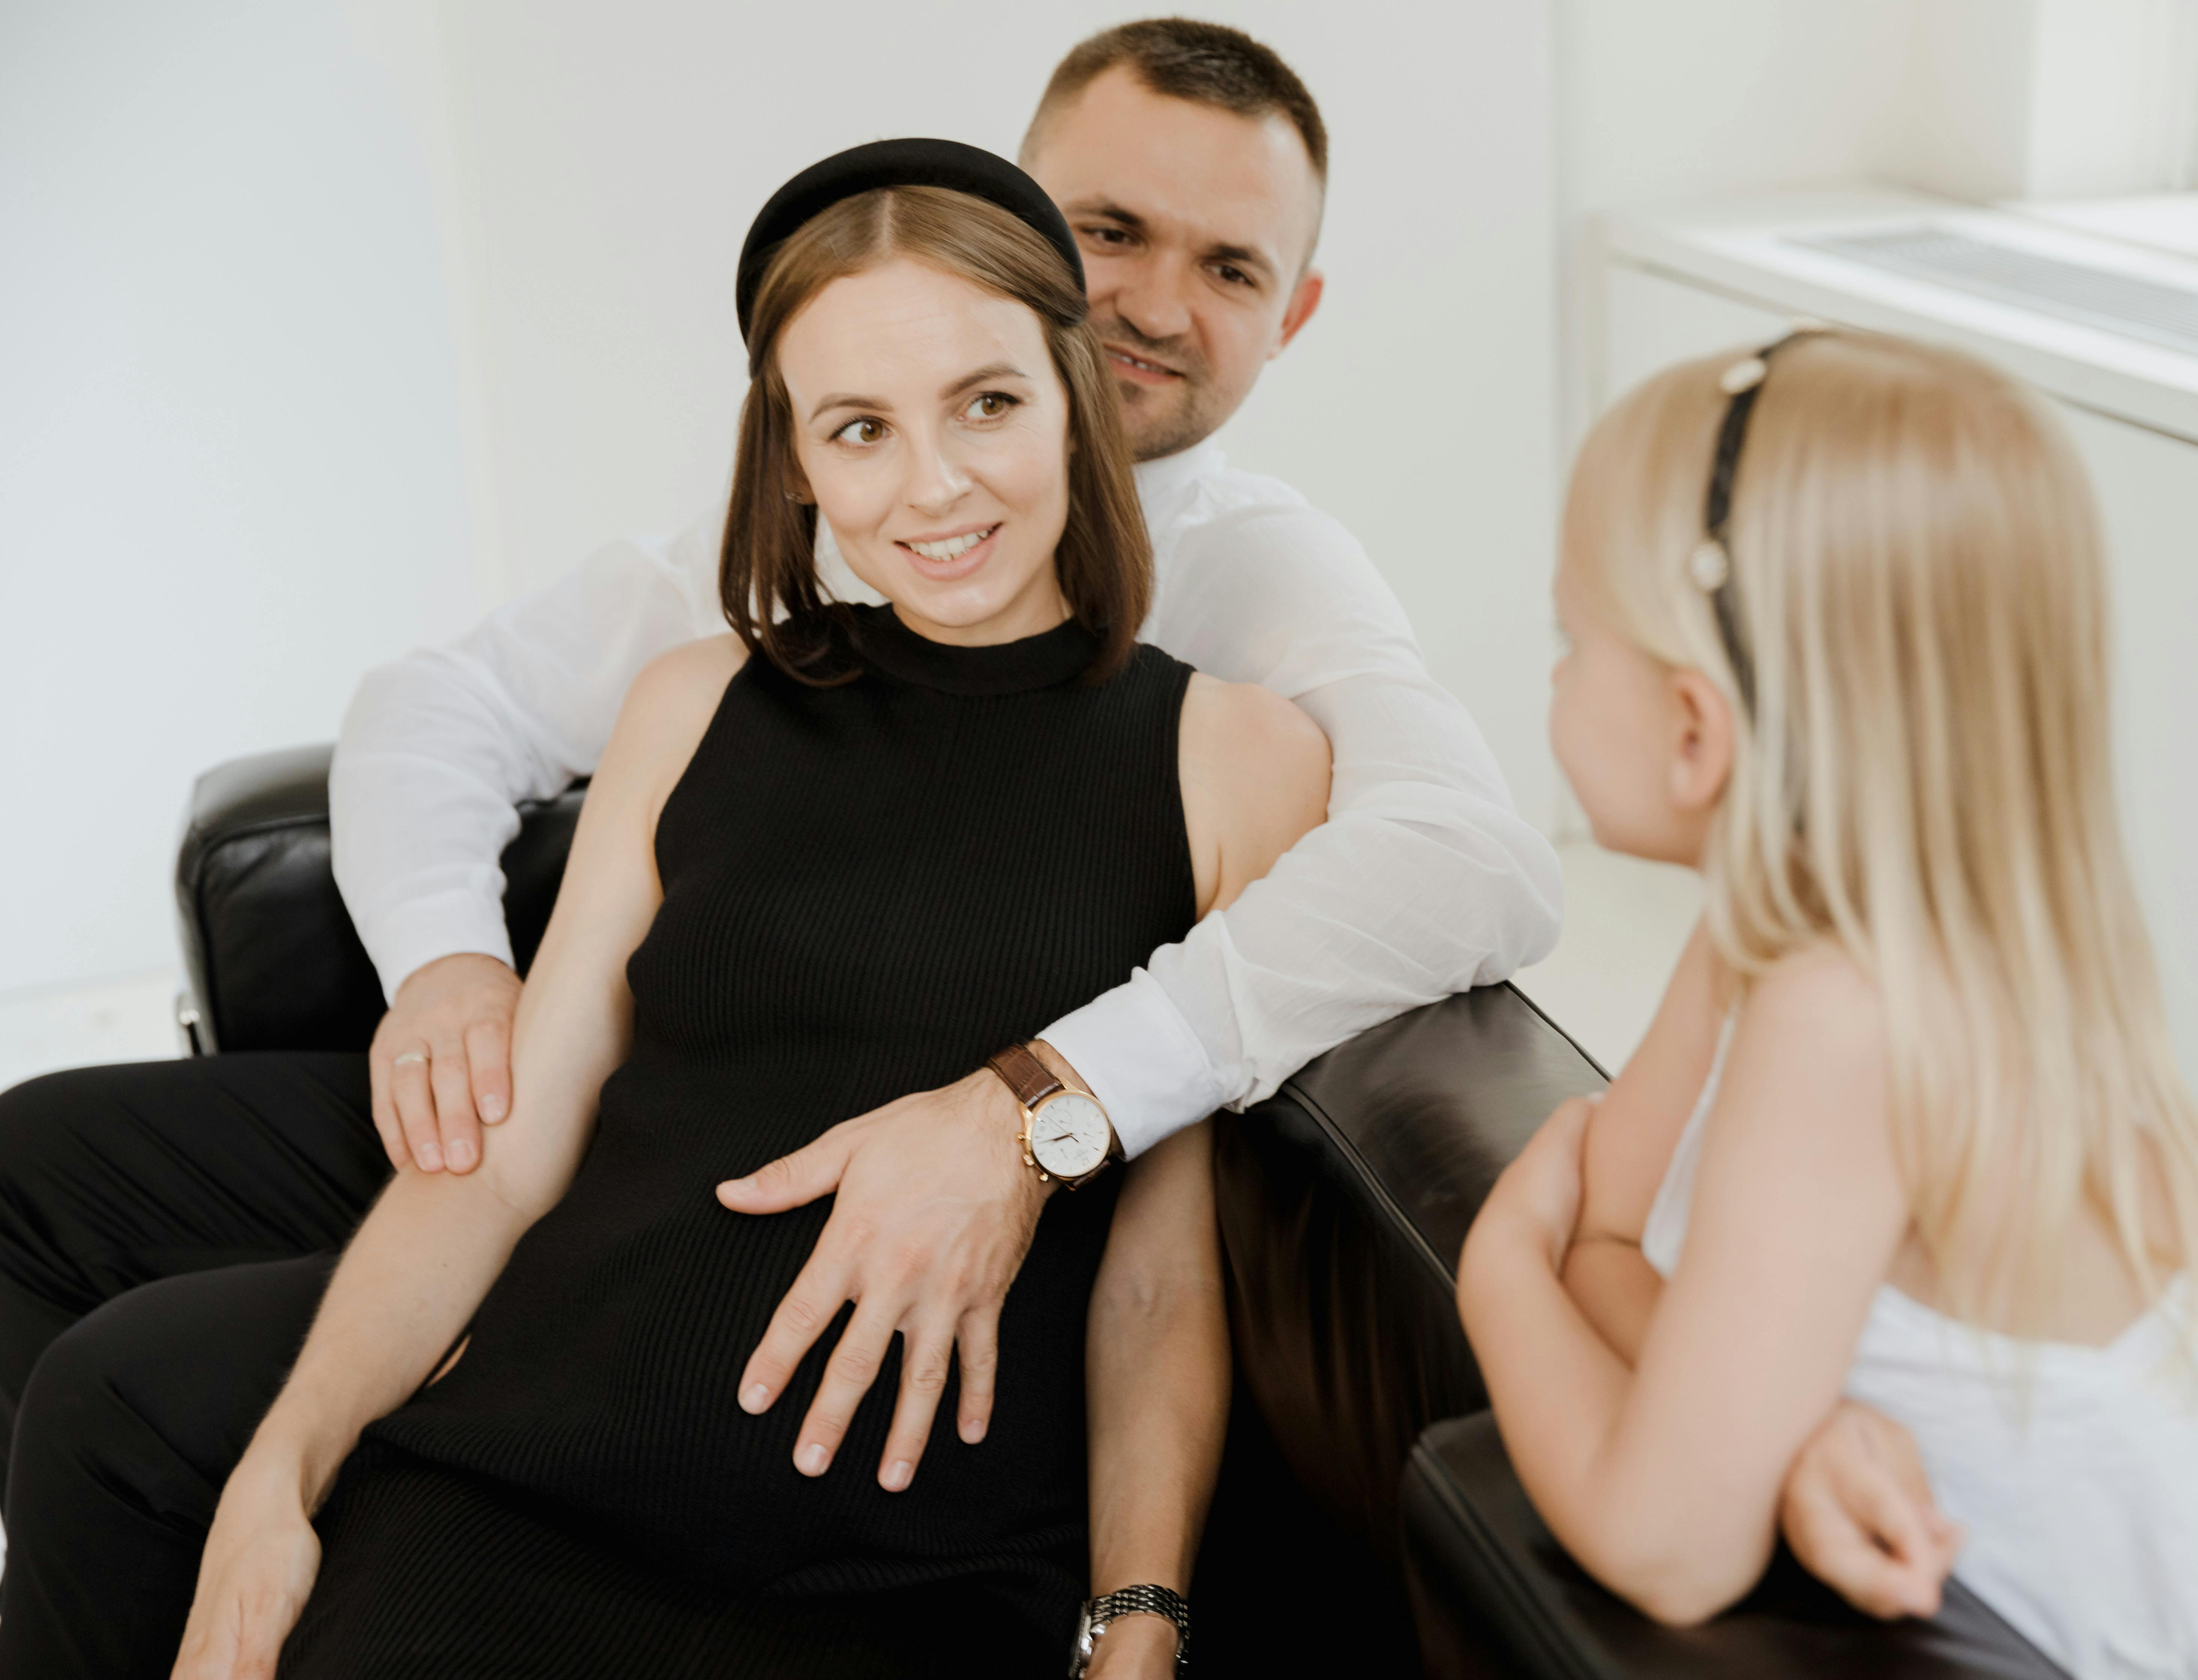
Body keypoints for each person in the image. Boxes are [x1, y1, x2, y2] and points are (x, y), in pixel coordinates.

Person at [162, 142, 1325, 1678]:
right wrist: (281, 1470)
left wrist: (1138, 1621)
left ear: (1073, 390)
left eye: (986, 402)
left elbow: (1163, 1274)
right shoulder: (694, 702)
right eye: (861, 429)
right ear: (794, 460)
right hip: (520, 1497)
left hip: (920, 1576)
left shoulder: (1241, 763)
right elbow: (510, 1162)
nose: (935, 485)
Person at [1457, 327, 2198, 1676]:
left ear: (1693, 730)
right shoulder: (1780, 934)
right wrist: (1781, 1443)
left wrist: (1495, 1273)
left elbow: (1667, 1542)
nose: (1552, 675)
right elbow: (1611, 1238)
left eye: (1574, 636)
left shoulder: (1845, 1014)